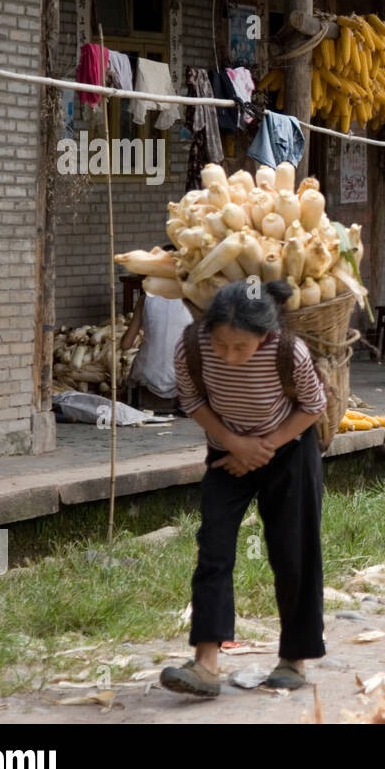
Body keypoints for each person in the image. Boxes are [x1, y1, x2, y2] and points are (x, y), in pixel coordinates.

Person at [160, 279, 328, 698]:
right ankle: (205, 664)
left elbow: (313, 406)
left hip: (288, 448)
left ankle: (294, 658)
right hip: (226, 452)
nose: (229, 356)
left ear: (265, 336)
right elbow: (193, 400)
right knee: (214, 549)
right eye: (221, 344)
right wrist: (235, 445)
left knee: (293, 550)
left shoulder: (288, 350)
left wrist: (263, 448)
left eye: (241, 347)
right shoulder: (192, 346)